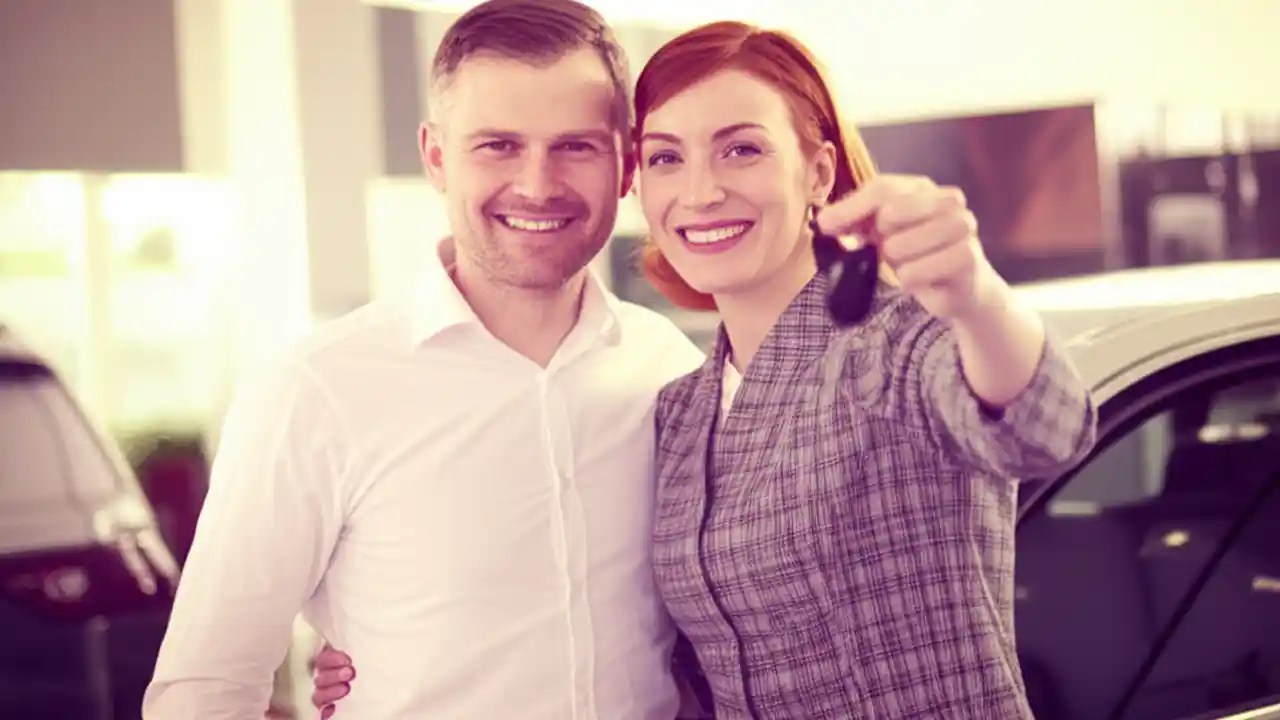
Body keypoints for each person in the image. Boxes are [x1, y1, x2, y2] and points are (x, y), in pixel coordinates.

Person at [312, 17, 1098, 720]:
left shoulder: (891, 343)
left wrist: (975, 296)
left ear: (818, 172)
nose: (702, 190)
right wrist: (389, 670)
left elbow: (1044, 426)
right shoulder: (679, 405)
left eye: (742, 149)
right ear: (638, 185)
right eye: (665, 157)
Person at [142, 1, 707, 717]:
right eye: (497, 145)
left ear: (625, 163)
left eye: (576, 146)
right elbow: (205, 687)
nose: (537, 184)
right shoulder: (316, 389)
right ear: (437, 157)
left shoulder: (668, 371)